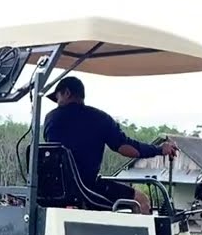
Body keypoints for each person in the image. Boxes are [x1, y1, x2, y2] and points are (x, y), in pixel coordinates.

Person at [41, 75, 176, 213]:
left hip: (53, 190)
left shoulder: (50, 118)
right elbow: (128, 148)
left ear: (67, 93)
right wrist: (159, 150)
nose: (57, 102)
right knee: (141, 201)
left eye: (57, 98)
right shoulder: (99, 118)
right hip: (87, 189)